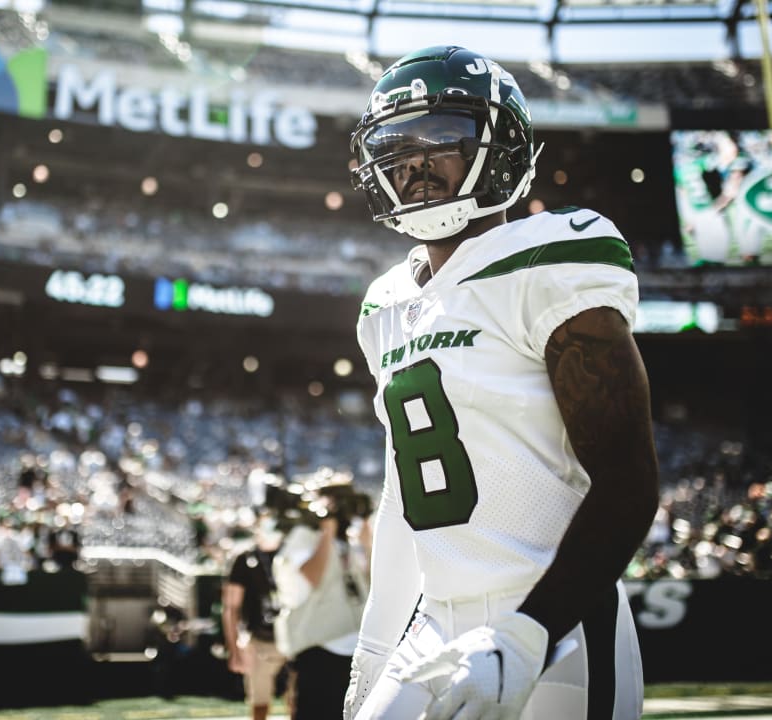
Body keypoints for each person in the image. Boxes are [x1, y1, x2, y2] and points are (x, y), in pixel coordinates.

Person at [344, 46, 659, 720]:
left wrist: (527, 634)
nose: (415, 165)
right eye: (396, 148)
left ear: (502, 149)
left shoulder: (552, 259)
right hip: (432, 626)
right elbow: (406, 495)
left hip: (562, 619)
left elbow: (630, 479)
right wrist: (373, 651)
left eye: (442, 141)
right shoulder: (385, 303)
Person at [273, 481, 371, 720]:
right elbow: (311, 577)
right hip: (319, 648)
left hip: (355, 647)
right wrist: (326, 530)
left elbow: (371, 577)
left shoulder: (349, 540)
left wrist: (365, 528)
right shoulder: (304, 537)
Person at [222, 513, 286, 720]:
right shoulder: (244, 559)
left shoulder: (290, 553)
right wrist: (234, 649)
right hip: (260, 641)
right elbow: (231, 607)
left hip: (293, 639)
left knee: (300, 702)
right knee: (259, 704)